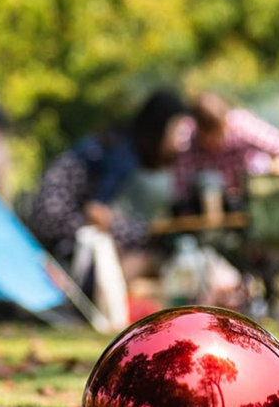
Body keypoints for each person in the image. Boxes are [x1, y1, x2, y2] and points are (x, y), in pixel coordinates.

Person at [29, 89, 189, 288]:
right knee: (141, 243)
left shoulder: (120, 143)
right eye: (178, 131)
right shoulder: (124, 154)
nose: (182, 142)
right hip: (57, 225)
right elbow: (96, 213)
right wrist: (148, 230)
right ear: (161, 127)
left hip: (51, 221)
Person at [172, 92, 279, 211]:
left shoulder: (240, 124)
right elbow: (181, 193)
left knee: (259, 165)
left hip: (252, 201)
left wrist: (275, 173)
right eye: (209, 135)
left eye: (218, 132)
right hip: (207, 209)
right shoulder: (187, 140)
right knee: (208, 181)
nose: (215, 141)